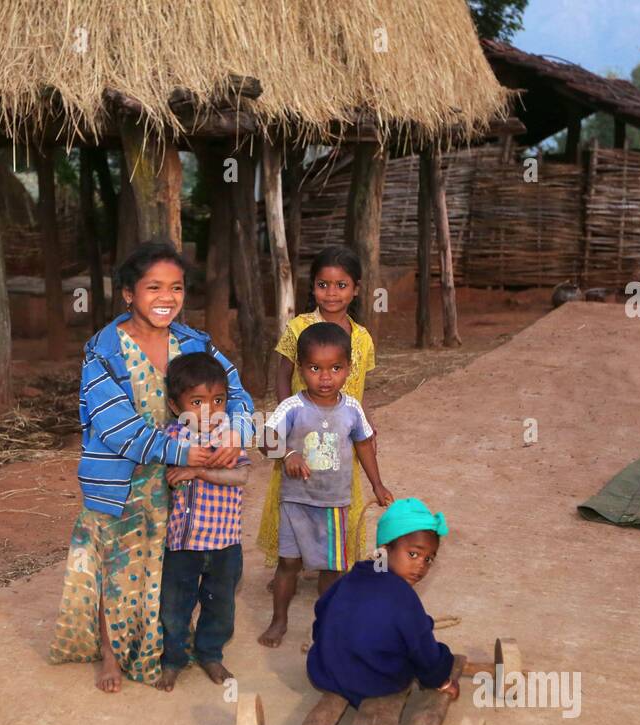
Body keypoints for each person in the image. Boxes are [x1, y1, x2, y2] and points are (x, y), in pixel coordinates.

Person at [48, 241, 254, 692]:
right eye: (153, 287)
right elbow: (115, 427)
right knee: (117, 570)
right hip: (125, 481)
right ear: (128, 294)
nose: (167, 297)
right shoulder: (103, 352)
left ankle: (167, 647)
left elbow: (236, 392)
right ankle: (111, 656)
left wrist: (237, 431)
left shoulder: (195, 343)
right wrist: (183, 453)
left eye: (176, 288)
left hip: (186, 488)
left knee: (169, 574)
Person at [257, 321, 392, 648]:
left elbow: (363, 445)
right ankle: (279, 621)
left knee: (331, 568)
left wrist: (377, 484)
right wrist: (287, 452)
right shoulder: (293, 407)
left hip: (334, 504)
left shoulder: (352, 409)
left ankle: (328, 624)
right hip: (295, 502)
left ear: (348, 369)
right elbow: (264, 438)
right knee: (288, 564)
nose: (326, 377)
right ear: (301, 370)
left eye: (335, 368)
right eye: (315, 368)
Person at [256, 245, 377, 572]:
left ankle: (334, 561)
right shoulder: (298, 327)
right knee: (295, 495)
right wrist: (288, 422)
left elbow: (359, 387)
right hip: (302, 431)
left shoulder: (362, 338)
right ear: (312, 288)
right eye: (323, 285)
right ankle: (289, 565)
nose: (332, 293)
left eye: (341, 285)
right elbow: (282, 373)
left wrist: (366, 426)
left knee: (337, 494)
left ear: (357, 289)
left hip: (342, 432)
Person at [156, 353, 252, 691]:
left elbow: (240, 475)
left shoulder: (229, 436)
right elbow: (161, 476)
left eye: (218, 400)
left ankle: (210, 654)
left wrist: (199, 471)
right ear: (174, 404)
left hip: (225, 541)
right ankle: (173, 659)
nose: (210, 410)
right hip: (182, 543)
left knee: (220, 603)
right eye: (197, 401)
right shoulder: (169, 438)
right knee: (174, 604)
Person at [306, 498, 460, 706]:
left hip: (325, 672)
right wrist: (441, 680)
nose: (421, 566)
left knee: (401, 629)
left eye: (428, 559)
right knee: (435, 653)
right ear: (385, 549)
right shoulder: (404, 598)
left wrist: (329, 647)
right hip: (372, 683)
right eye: (413, 554)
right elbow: (425, 654)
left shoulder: (351, 577)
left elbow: (322, 612)